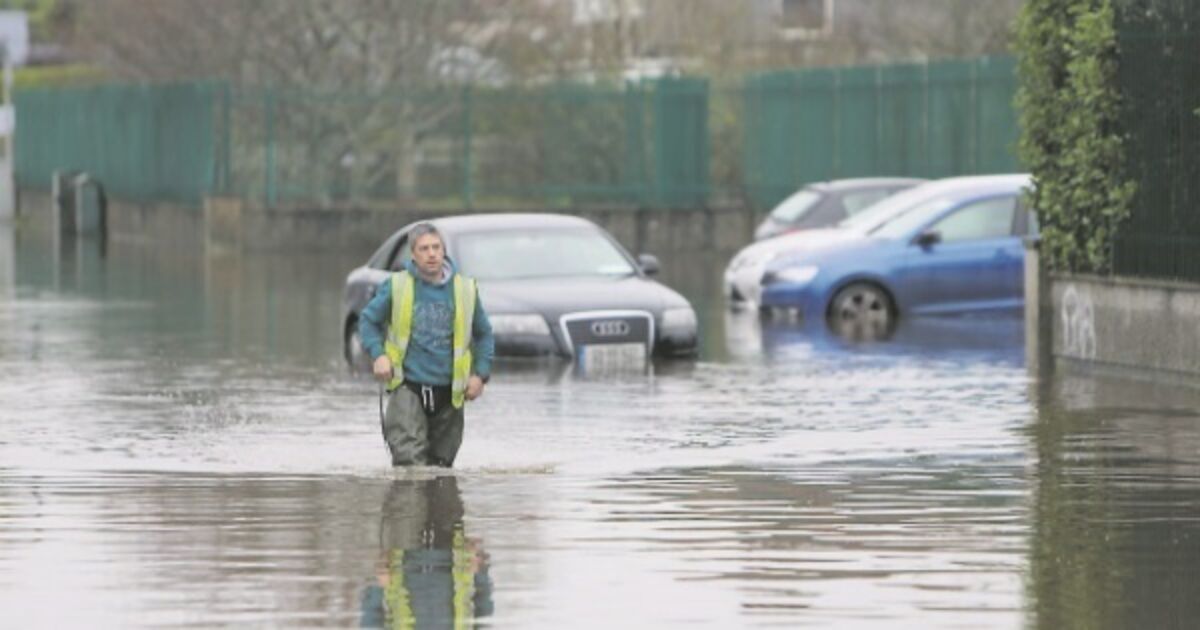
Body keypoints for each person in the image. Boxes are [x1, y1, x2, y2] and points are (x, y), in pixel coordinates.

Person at [358, 222, 494, 467]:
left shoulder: (466, 290)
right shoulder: (396, 286)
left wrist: (481, 376)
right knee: (410, 466)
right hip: (407, 387)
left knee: (441, 470)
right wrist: (378, 355)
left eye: (436, 247)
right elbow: (368, 321)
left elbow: (484, 335)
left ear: (443, 250)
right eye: (424, 249)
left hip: (451, 393)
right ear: (413, 254)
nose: (431, 254)